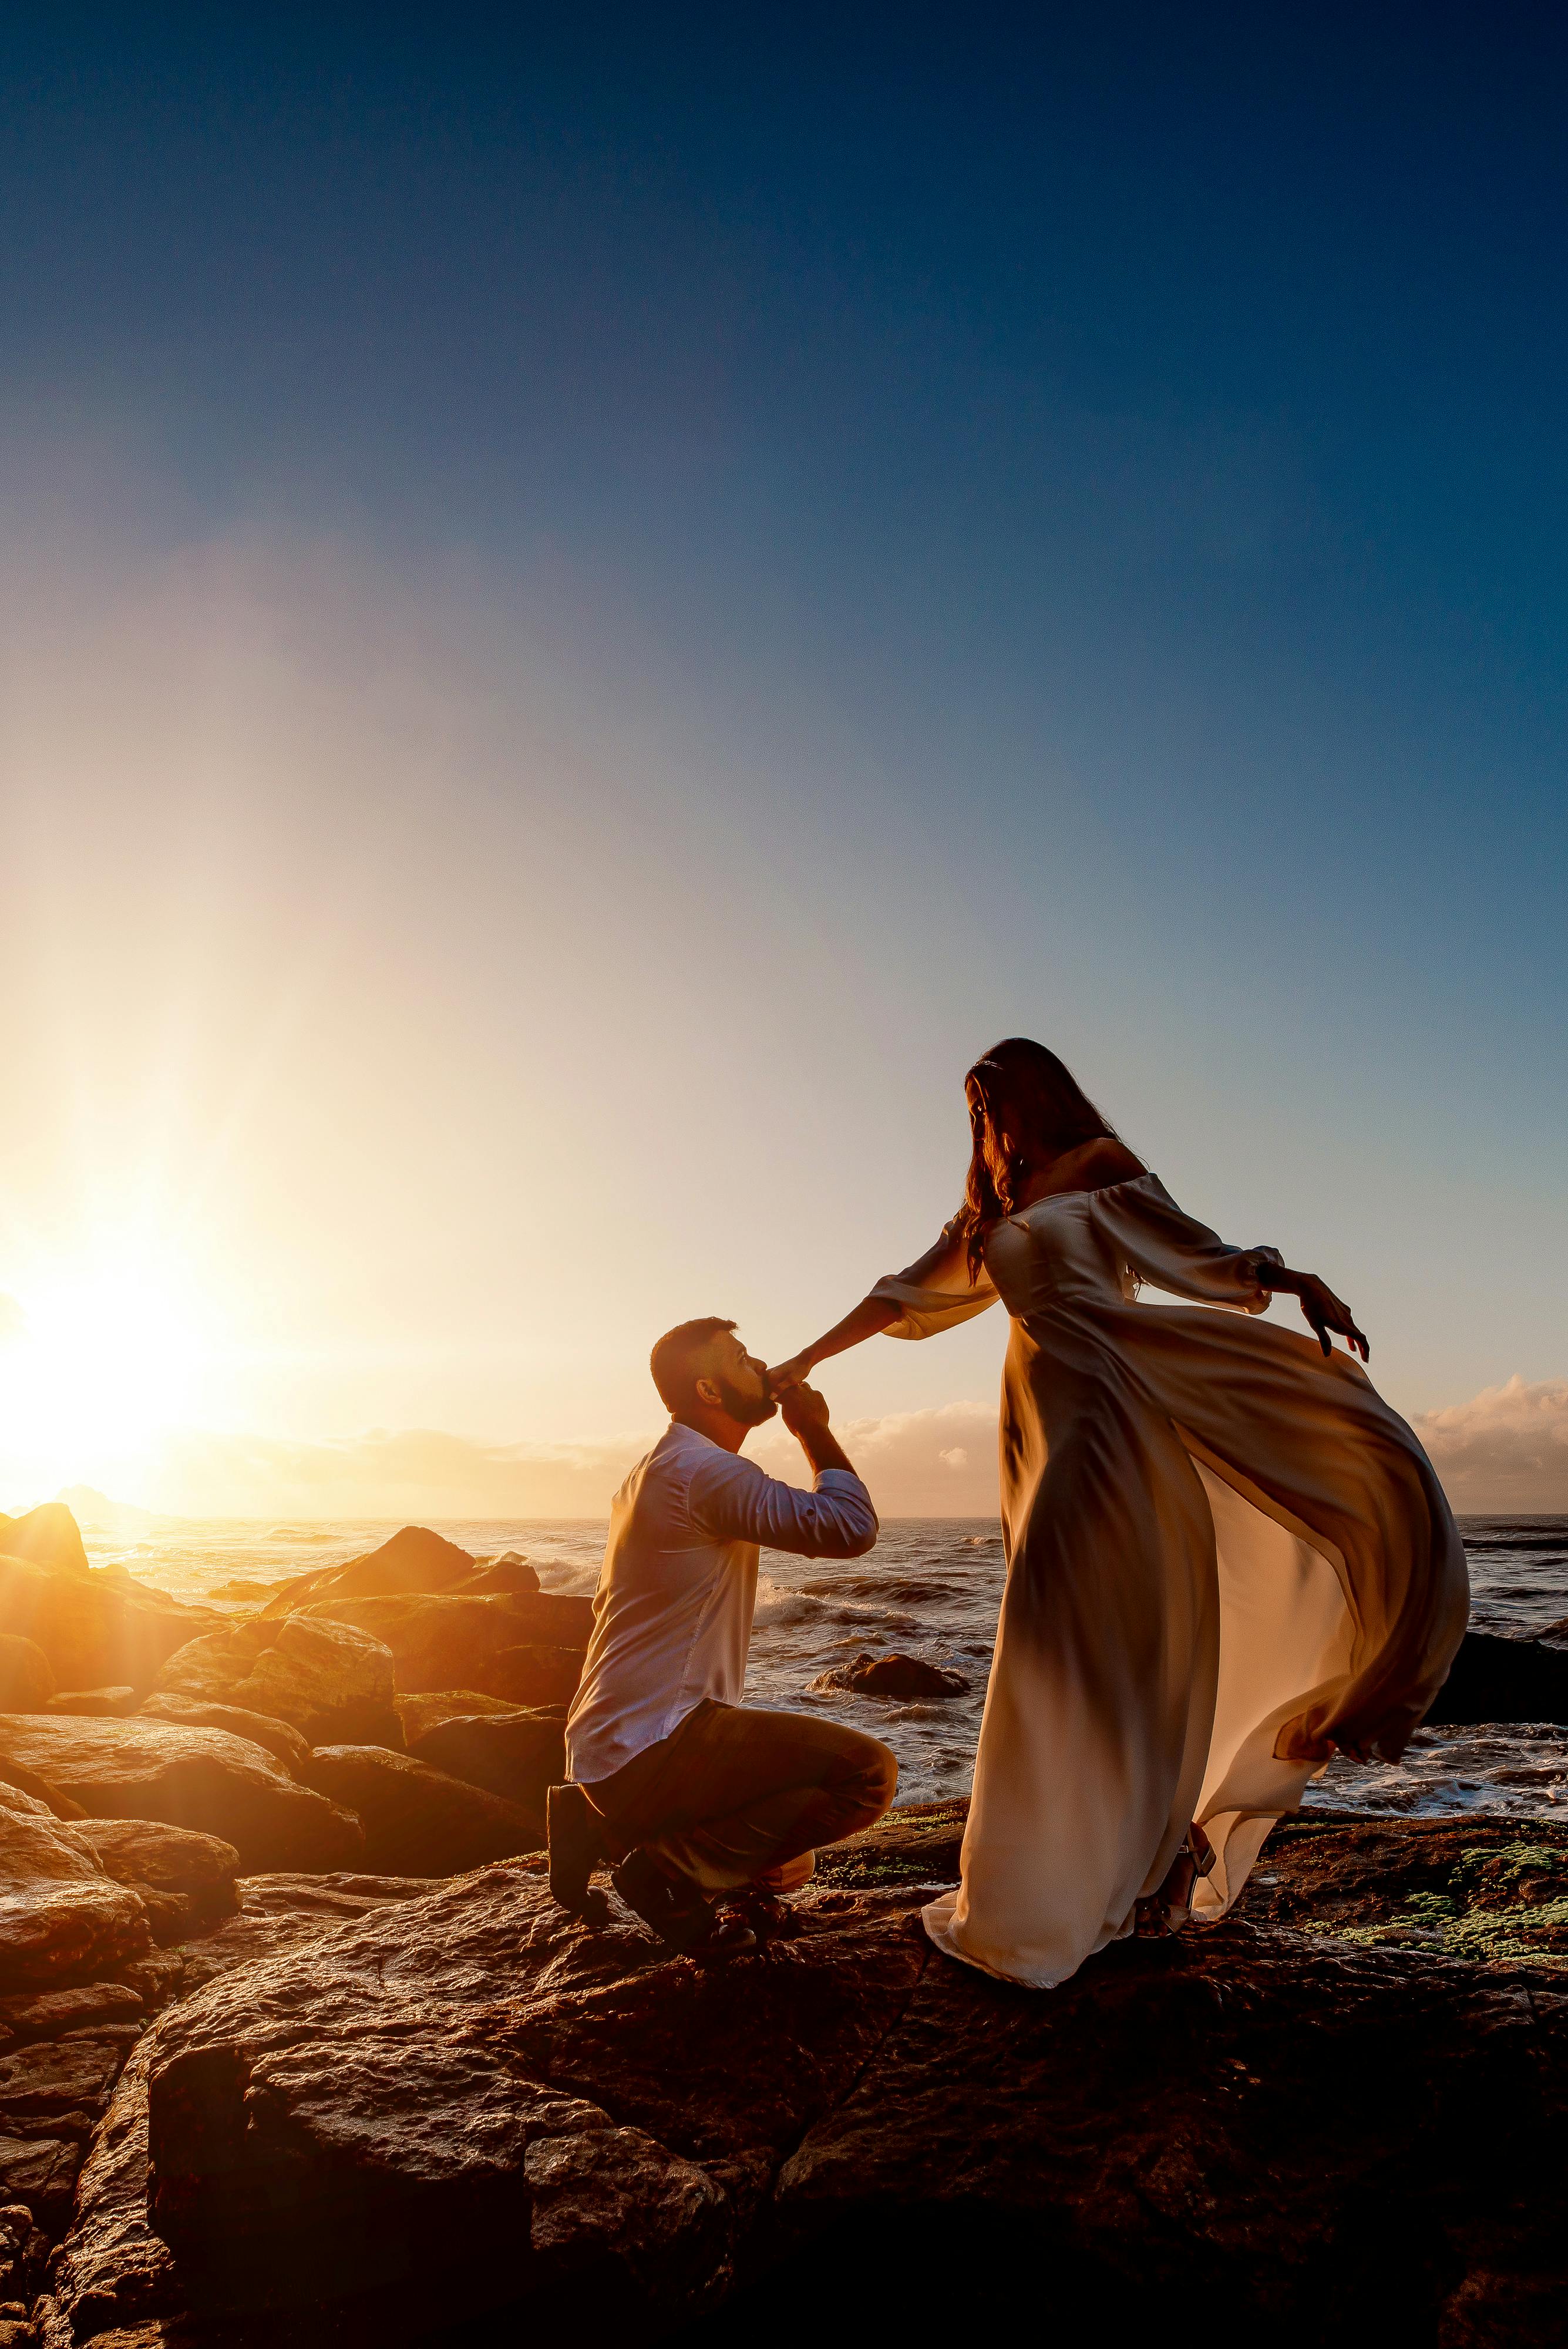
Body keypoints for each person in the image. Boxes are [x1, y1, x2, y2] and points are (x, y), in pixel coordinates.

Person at [767, 1037, 1469, 1990]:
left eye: (996, 1103)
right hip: (1043, 1427)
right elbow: (900, 1297)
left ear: (1037, 1098)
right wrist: (806, 1362)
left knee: (1120, 1635)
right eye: (975, 1111)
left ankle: (1156, 1865)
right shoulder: (986, 1212)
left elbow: (1195, 1252)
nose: (986, 1125)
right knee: (1056, 1637)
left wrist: (1294, 1279)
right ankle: (1080, 1875)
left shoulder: (1097, 1168)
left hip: (1113, 1403)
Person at [549, 1316, 896, 1959]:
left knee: (787, 1867)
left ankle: (591, 1823)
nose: (761, 1365)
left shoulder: (654, 1470)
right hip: (653, 1746)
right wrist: (812, 1428)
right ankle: (663, 1876)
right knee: (867, 1775)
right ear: (709, 1390)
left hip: (605, 1747)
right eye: (742, 1358)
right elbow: (850, 1528)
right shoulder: (704, 1473)